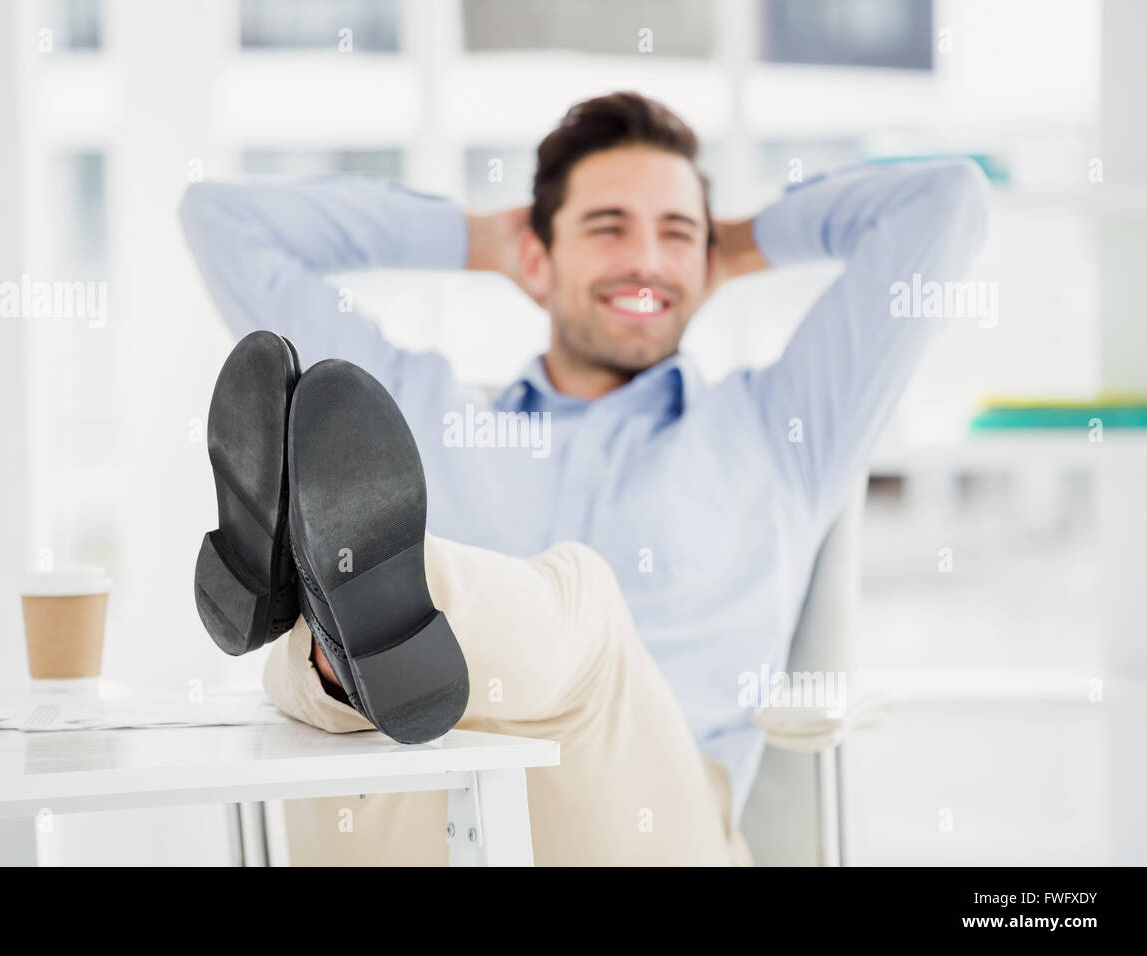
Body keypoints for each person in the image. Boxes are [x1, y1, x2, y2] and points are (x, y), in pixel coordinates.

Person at [179, 91, 991, 859]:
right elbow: (221, 221)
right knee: (340, 710)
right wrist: (480, 239)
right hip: (433, 794)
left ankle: (335, 604)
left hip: (653, 822)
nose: (645, 258)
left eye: (677, 233)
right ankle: (336, 646)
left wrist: (739, 244)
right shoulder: (423, 418)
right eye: (608, 227)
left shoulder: (782, 427)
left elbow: (947, 202)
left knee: (585, 607)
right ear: (540, 256)